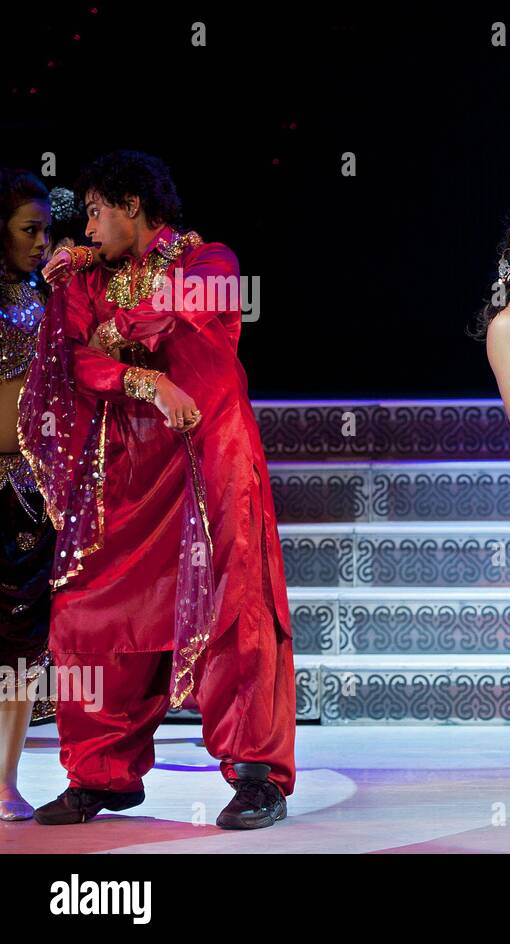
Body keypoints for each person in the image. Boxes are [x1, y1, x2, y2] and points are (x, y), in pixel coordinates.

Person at [23, 150, 297, 827]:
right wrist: (145, 379)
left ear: (133, 206)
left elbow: (168, 312)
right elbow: (74, 358)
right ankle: (104, 773)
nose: (85, 229)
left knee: (233, 606)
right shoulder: (87, 282)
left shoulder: (213, 263)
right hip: (128, 469)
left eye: (94, 211)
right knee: (90, 607)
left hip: (210, 455)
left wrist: (114, 325)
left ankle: (255, 774)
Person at [0, 169, 57, 821]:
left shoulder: (47, 302)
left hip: (28, 489)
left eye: (46, 230)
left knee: (22, 646)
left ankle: (6, 778)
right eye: (29, 230)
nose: (43, 242)